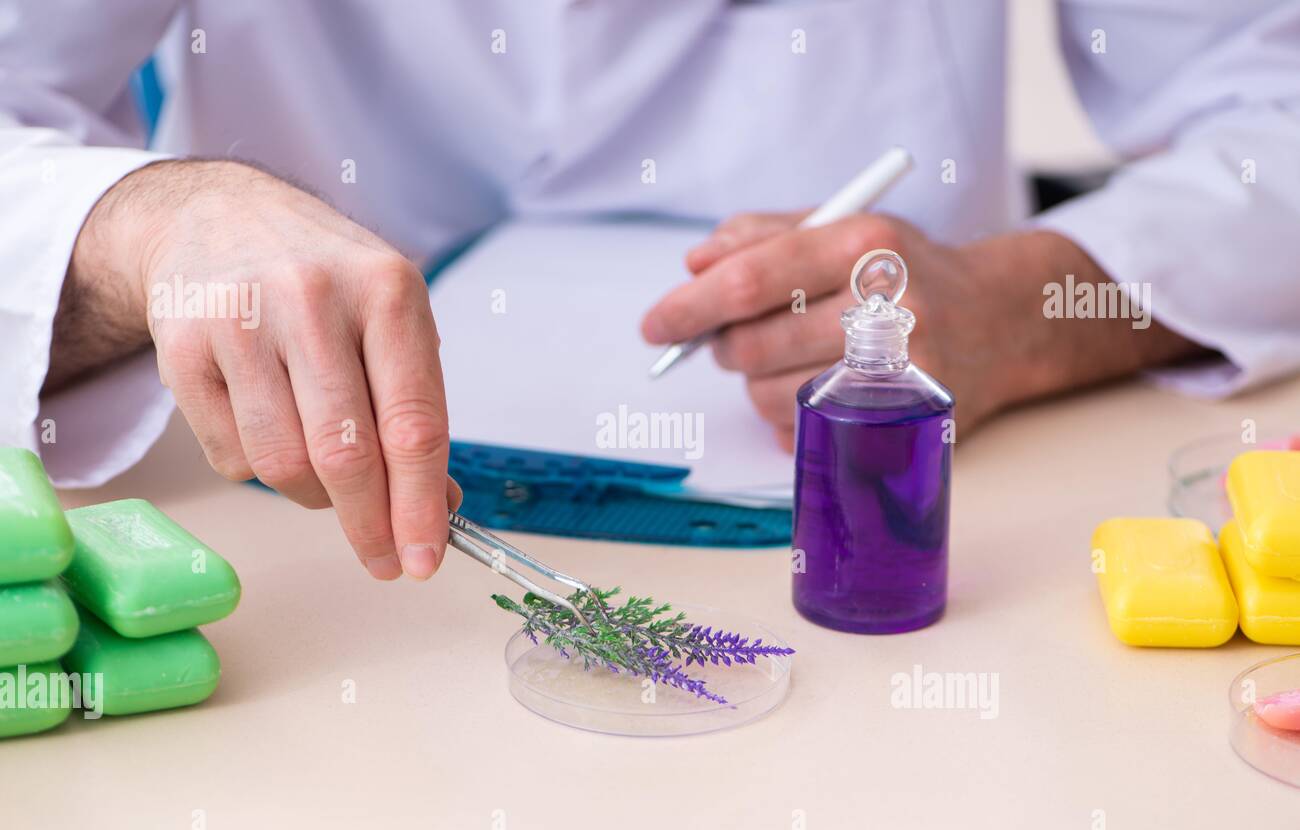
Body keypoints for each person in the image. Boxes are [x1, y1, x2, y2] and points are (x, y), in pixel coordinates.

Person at [3, 1, 1298, 581]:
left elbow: (1276, 108)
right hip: (307, 535)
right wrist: (147, 223)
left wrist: (1024, 306)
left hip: (912, 508)